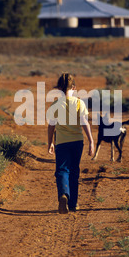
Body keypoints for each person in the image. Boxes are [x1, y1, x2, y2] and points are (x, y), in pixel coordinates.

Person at [47, 73, 95, 214]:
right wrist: (91, 141)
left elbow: (51, 126)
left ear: (58, 88)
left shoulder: (55, 105)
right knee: (74, 171)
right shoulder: (79, 103)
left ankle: (63, 194)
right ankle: (73, 204)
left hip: (61, 142)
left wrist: (50, 143)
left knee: (62, 170)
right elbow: (84, 122)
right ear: (74, 87)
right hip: (77, 142)